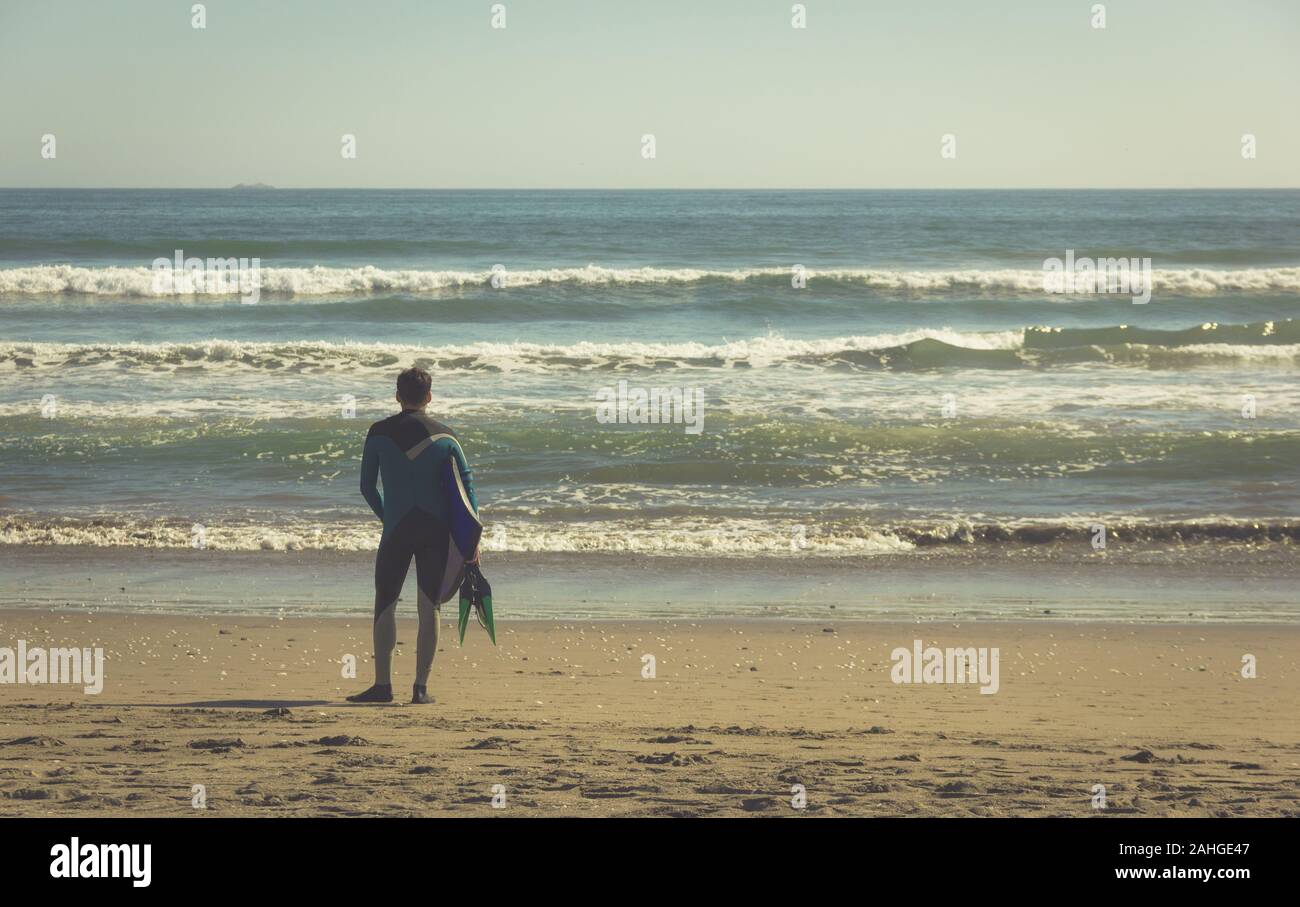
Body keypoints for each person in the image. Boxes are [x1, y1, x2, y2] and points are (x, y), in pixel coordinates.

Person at [348, 367, 479, 704]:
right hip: (435, 532)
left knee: (385, 603)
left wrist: (387, 517)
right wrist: (471, 543)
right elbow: (468, 492)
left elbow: (366, 487)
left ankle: (382, 686)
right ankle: (420, 689)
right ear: (430, 397)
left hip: (396, 531)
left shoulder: (377, 433)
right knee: (429, 607)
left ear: (397, 396)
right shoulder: (447, 438)